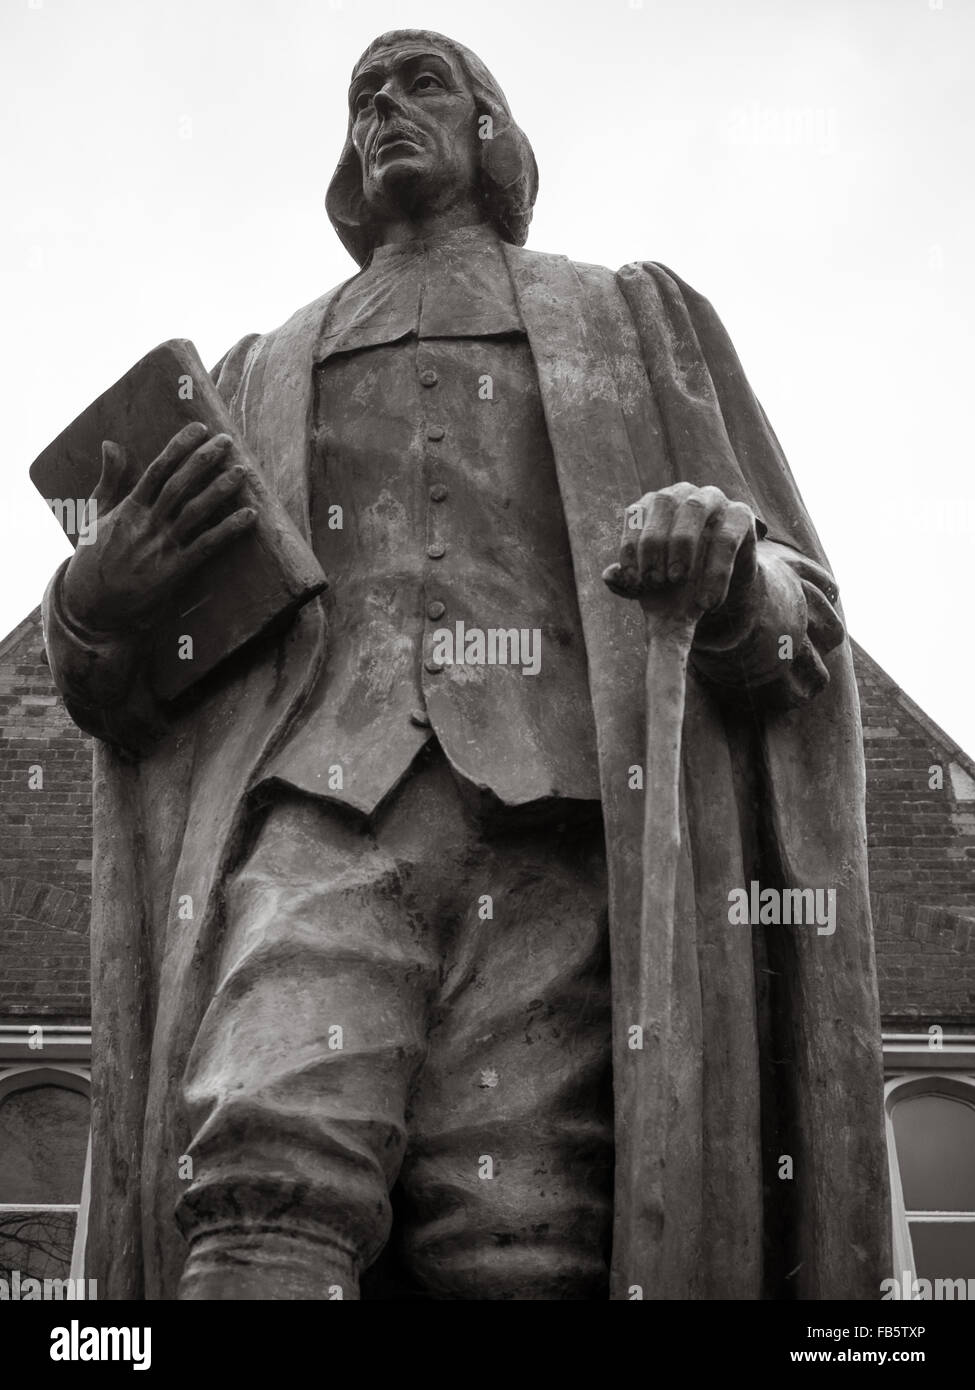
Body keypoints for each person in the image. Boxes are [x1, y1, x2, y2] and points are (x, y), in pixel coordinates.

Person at [44, 29, 889, 1300]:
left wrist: (728, 572)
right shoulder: (255, 375)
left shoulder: (628, 320)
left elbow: (799, 624)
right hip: (319, 825)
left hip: (563, 840)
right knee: (258, 1170)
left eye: (420, 81)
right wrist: (92, 598)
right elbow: (121, 699)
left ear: (494, 128)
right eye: (361, 95)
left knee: (524, 1232)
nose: (383, 106)